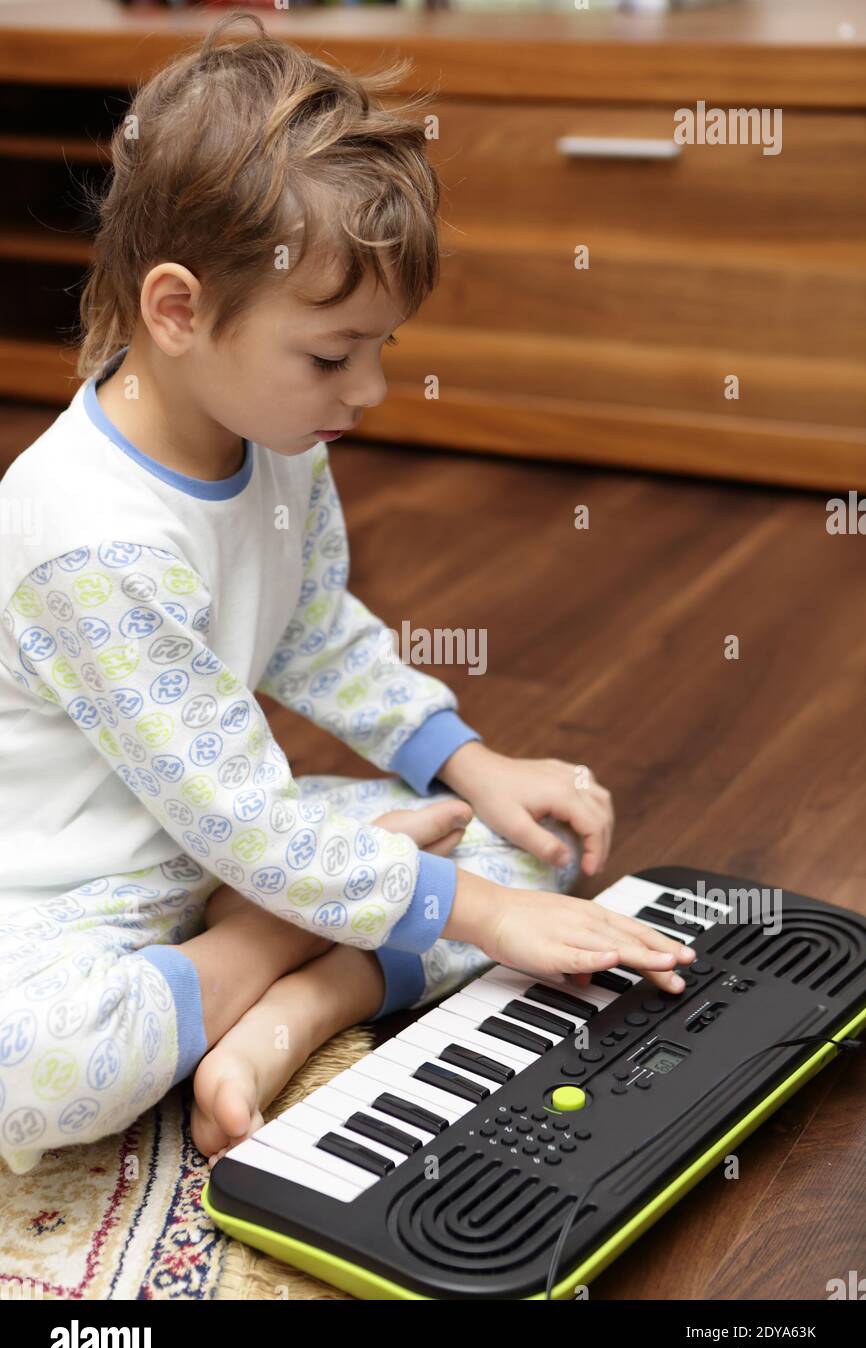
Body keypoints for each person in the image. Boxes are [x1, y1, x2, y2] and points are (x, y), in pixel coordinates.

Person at [0, 13, 693, 1176]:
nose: (368, 388)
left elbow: (317, 635)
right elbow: (244, 818)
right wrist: (452, 911)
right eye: (331, 354)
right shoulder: (87, 542)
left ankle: (290, 1011)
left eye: (379, 347)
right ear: (176, 311)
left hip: (218, 841)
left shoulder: (274, 437)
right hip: (72, 896)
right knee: (44, 1069)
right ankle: (278, 935)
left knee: (534, 845)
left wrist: (478, 769)